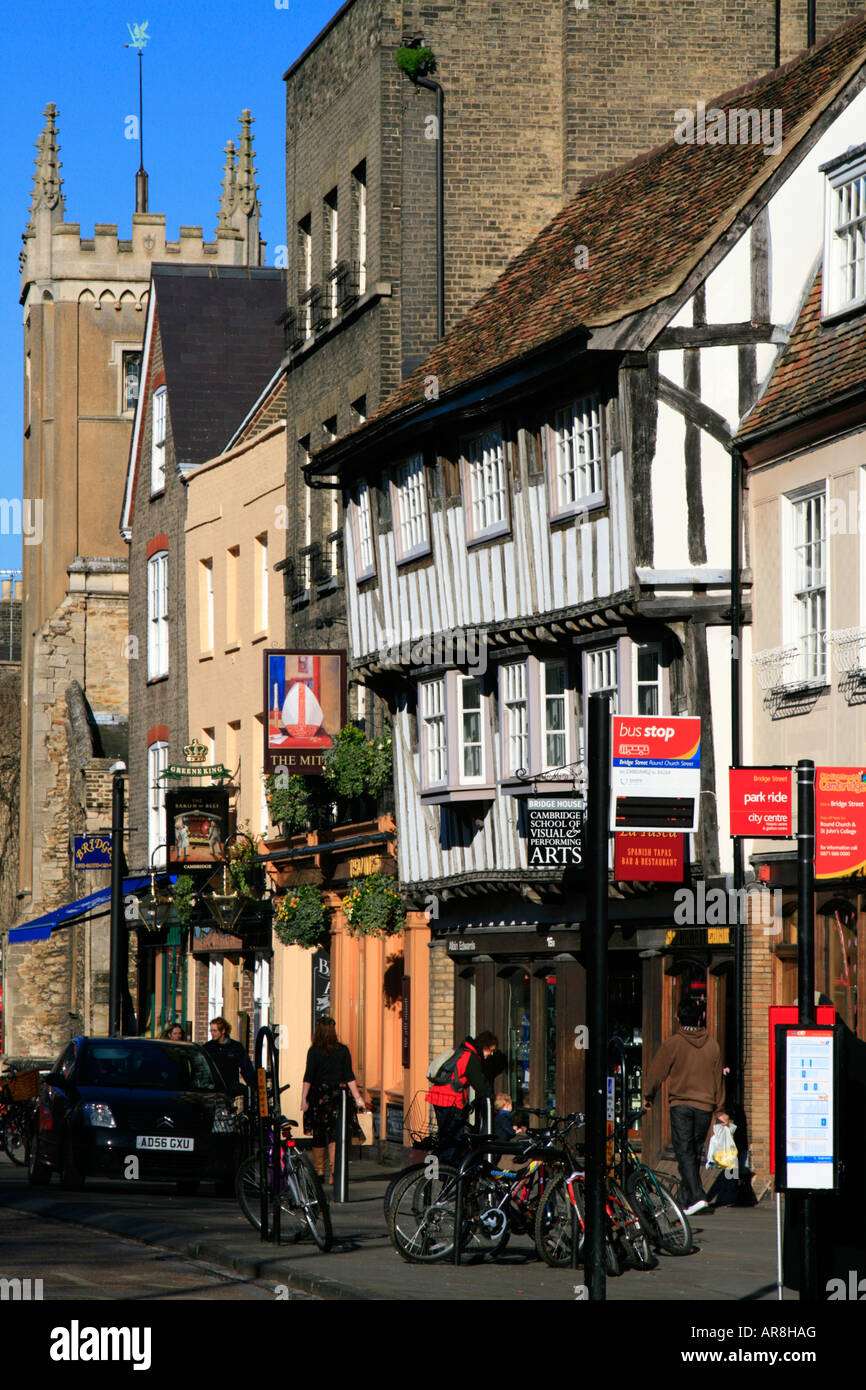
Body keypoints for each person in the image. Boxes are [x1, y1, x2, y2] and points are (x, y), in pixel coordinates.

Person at [643, 998, 729, 1216]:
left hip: (681, 1104)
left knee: (684, 1152)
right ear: (700, 1018)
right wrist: (720, 1109)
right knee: (693, 1151)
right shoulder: (713, 1045)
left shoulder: (673, 1043)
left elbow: (656, 1072)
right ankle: (686, 1199)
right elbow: (718, 1079)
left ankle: (698, 1196)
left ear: (677, 1018)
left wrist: (648, 1095)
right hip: (705, 1107)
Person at [301, 1017, 367, 1183]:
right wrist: (358, 1098)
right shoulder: (343, 1050)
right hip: (338, 1097)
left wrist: (303, 1099)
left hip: (318, 1097)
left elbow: (308, 1077)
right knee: (335, 1134)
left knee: (318, 1133)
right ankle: (334, 1174)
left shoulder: (314, 1051)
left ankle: (319, 1172)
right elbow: (349, 1076)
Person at [426, 1031, 498, 1163]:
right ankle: (450, 1174)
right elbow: (480, 1085)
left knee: (445, 1136)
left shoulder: (462, 1051)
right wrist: (493, 1098)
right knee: (454, 1140)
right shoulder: (471, 1057)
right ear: (485, 1047)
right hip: (451, 1100)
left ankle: (442, 1170)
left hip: (438, 1096)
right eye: (491, 1051)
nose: (491, 1054)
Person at [204, 1016, 256, 1092]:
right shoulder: (208, 1047)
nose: (212, 1033)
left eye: (215, 1031)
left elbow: (246, 1068)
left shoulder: (236, 1047)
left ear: (223, 1031)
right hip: (212, 1089)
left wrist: (253, 1085)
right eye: (211, 1031)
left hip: (230, 1089)